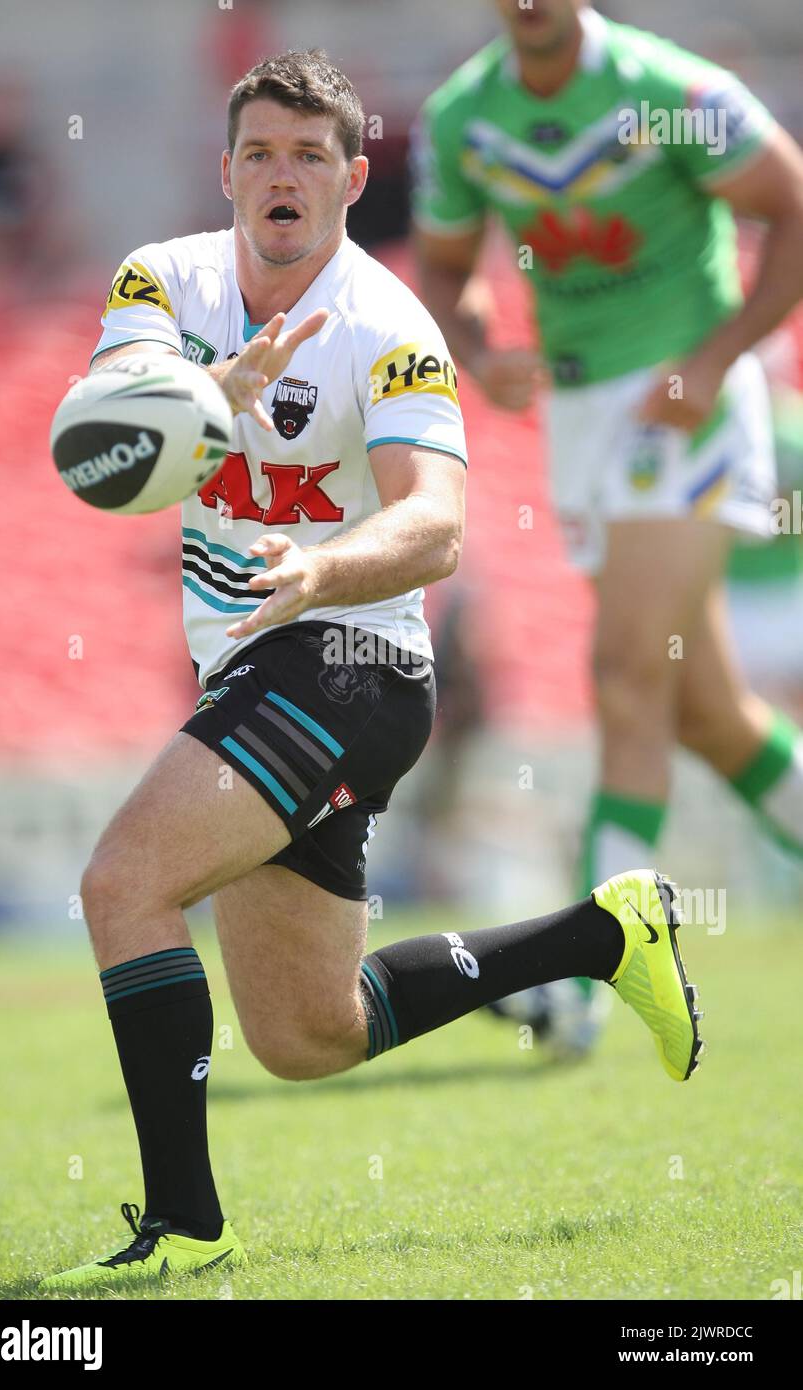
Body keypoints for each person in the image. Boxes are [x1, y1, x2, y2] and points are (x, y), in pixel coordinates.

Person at [39, 50, 703, 1292]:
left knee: (122, 881)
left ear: (351, 178)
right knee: (307, 1034)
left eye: (307, 155)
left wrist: (326, 570)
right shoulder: (162, 280)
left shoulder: (391, 326)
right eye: (259, 152)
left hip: (352, 659)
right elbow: (99, 424)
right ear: (224, 169)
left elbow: (437, 523)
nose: (280, 175)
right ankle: (603, 937)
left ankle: (185, 1230)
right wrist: (190, 396)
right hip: (248, 668)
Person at [411, 0, 803, 1048]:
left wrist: (718, 360)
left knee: (626, 675)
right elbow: (443, 271)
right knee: (708, 713)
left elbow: (792, 199)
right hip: (579, 420)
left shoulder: (665, 92)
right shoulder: (465, 118)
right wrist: (479, 346)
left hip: (688, 403)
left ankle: (583, 981)